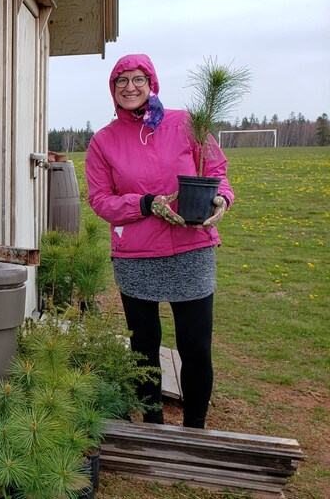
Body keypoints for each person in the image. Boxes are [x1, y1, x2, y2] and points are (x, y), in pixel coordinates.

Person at [84, 54, 233, 429]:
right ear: (112, 89)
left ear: (152, 83)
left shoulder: (185, 124)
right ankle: (153, 423)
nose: (130, 87)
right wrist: (145, 204)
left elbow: (216, 171)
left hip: (191, 249)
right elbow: (100, 200)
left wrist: (222, 198)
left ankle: (195, 427)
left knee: (195, 347)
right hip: (136, 255)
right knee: (145, 347)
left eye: (138, 79)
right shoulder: (103, 142)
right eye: (122, 81)